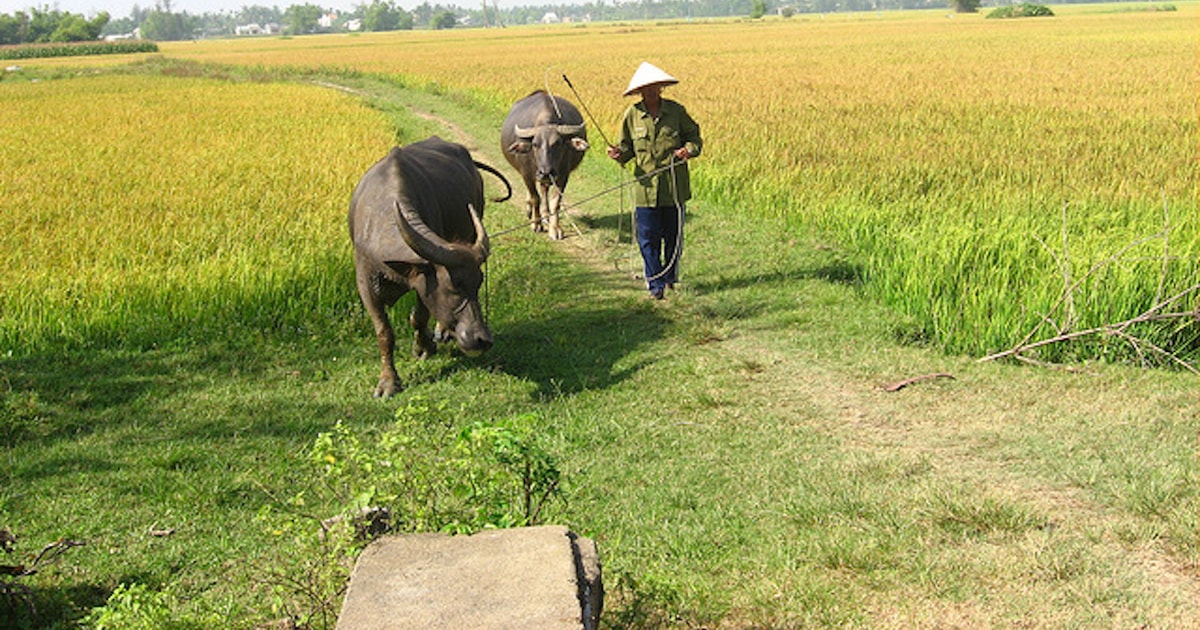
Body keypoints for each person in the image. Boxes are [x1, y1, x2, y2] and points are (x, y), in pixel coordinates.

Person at [606, 62, 703, 300]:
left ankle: (669, 278)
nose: (650, 91)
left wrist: (688, 150)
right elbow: (627, 149)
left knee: (673, 236)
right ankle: (655, 284)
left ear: (661, 88)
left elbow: (694, 138)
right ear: (639, 91)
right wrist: (618, 154)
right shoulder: (632, 115)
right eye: (645, 88)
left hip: (673, 187)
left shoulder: (676, 112)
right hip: (645, 189)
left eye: (654, 87)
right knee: (648, 237)